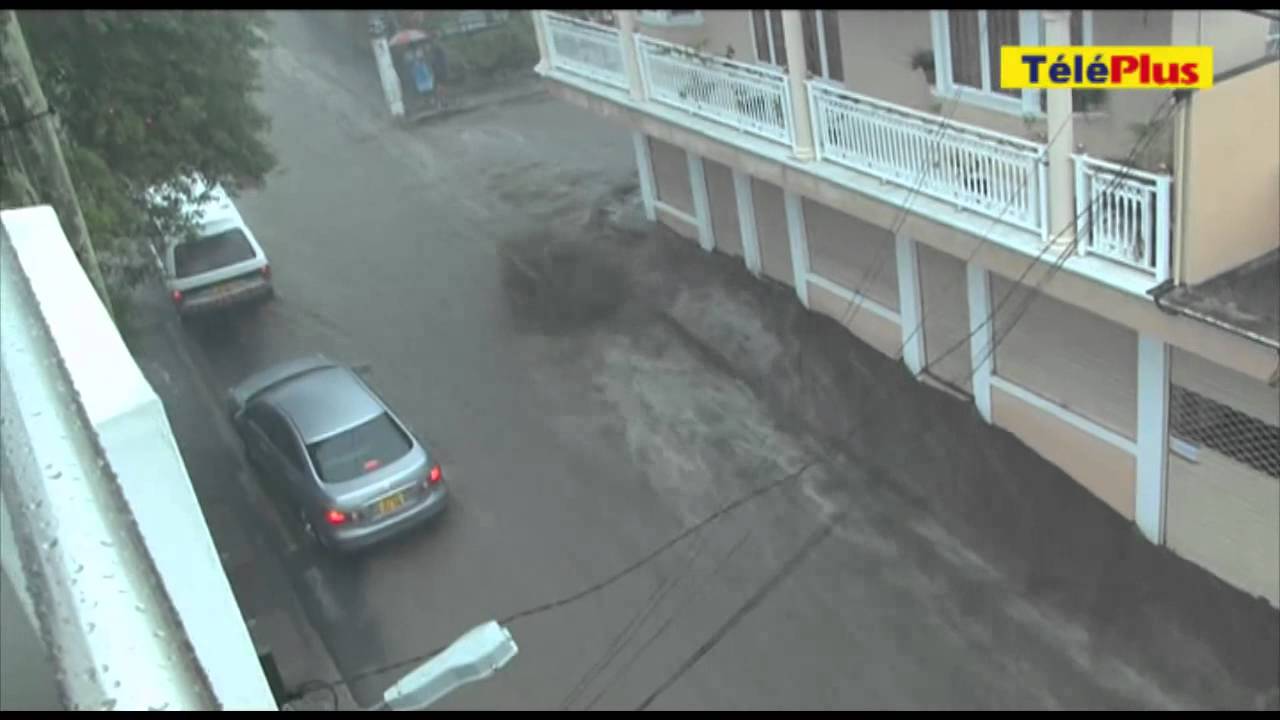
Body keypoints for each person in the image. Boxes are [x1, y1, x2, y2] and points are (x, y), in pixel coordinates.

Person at [428, 36, 449, 109]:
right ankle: (442, 100)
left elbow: (433, 61)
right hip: (440, 70)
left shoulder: (435, 49)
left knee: (440, 86)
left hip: (439, 70)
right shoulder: (438, 48)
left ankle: (442, 100)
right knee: (441, 86)